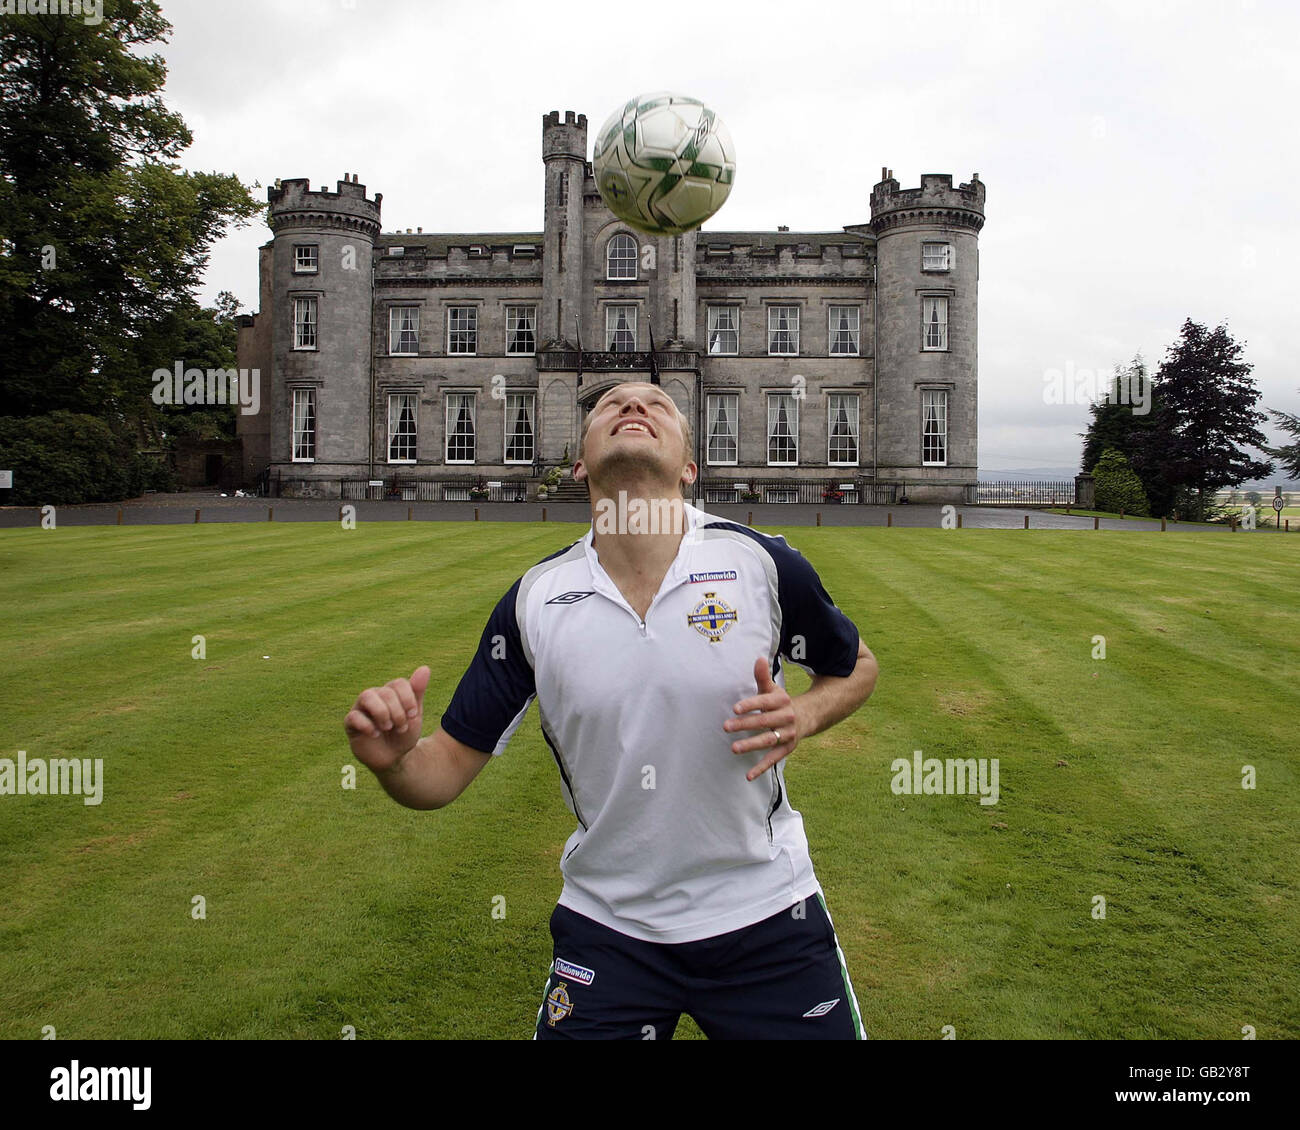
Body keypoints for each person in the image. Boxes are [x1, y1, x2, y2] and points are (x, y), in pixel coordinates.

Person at [344, 381, 879, 1039]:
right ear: (580, 463)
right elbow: (444, 768)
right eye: (610, 405)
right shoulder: (536, 600)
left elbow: (856, 665)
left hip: (768, 915)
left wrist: (806, 713)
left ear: (689, 464)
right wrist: (395, 762)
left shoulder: (761, 563)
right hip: (609, 927)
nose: (633, 407)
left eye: (657, 403)